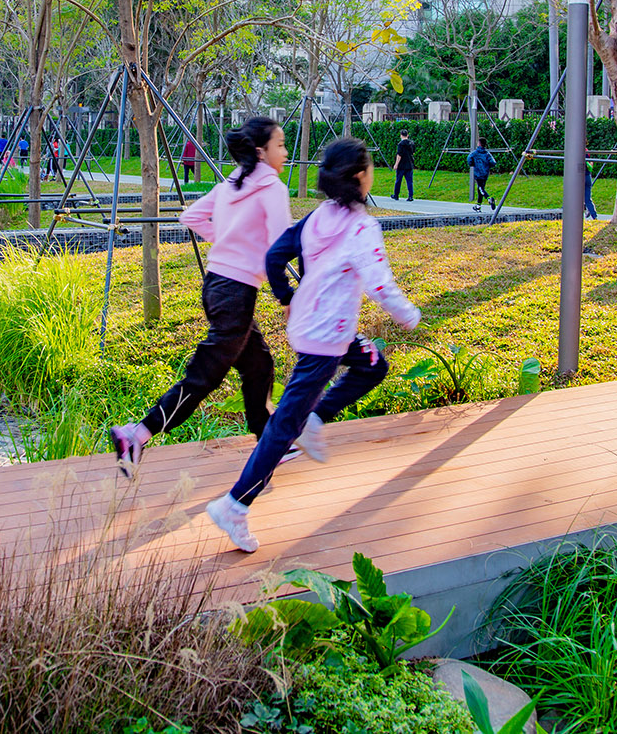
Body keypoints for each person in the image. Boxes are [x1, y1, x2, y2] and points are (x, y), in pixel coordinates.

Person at [205, 137, 421, 553]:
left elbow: (275, 255)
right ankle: (235, 504)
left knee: (373, 364)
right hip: (325, 338)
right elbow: (379, 283)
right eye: (371, 167)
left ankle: (317, 419)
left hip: (319, 327)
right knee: (284, 424)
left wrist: (287, 296)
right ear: (360, 176)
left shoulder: (320, 215)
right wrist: (408, 314)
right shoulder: (361, 226)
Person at [110, 117, 291, 477]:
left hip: (215, 287)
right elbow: (279, 247)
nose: (285, 152)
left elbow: (190, 216)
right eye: (280, 145)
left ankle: (269, 441)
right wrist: (287, 298)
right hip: (237, 294)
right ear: (261, 152)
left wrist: (225, 242)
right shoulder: (272, 189)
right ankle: (138, 433)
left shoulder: (230, 186)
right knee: (204, 376)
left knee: (259, 364)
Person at [466, 139, 497, 211]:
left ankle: (489, 198)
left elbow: (469, 159)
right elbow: (493, 162)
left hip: (478, 173)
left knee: (481, 189)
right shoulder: (487, 153)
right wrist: (487, 166)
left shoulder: (475, 153)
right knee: (480, 189)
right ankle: (478, 205)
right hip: (485, 173)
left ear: (479, 144)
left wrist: (472, 164)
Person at [392, 130, 416, 201]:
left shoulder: (400, 144)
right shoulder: (411, 143)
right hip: (409, 164)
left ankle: (396, 195)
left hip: (401, 165)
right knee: (409, 181)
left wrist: (396, 164)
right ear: (407, 135)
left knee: (398, 180)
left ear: (401, 135)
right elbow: (413, 153)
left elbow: (399, 155)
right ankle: (410, 196)